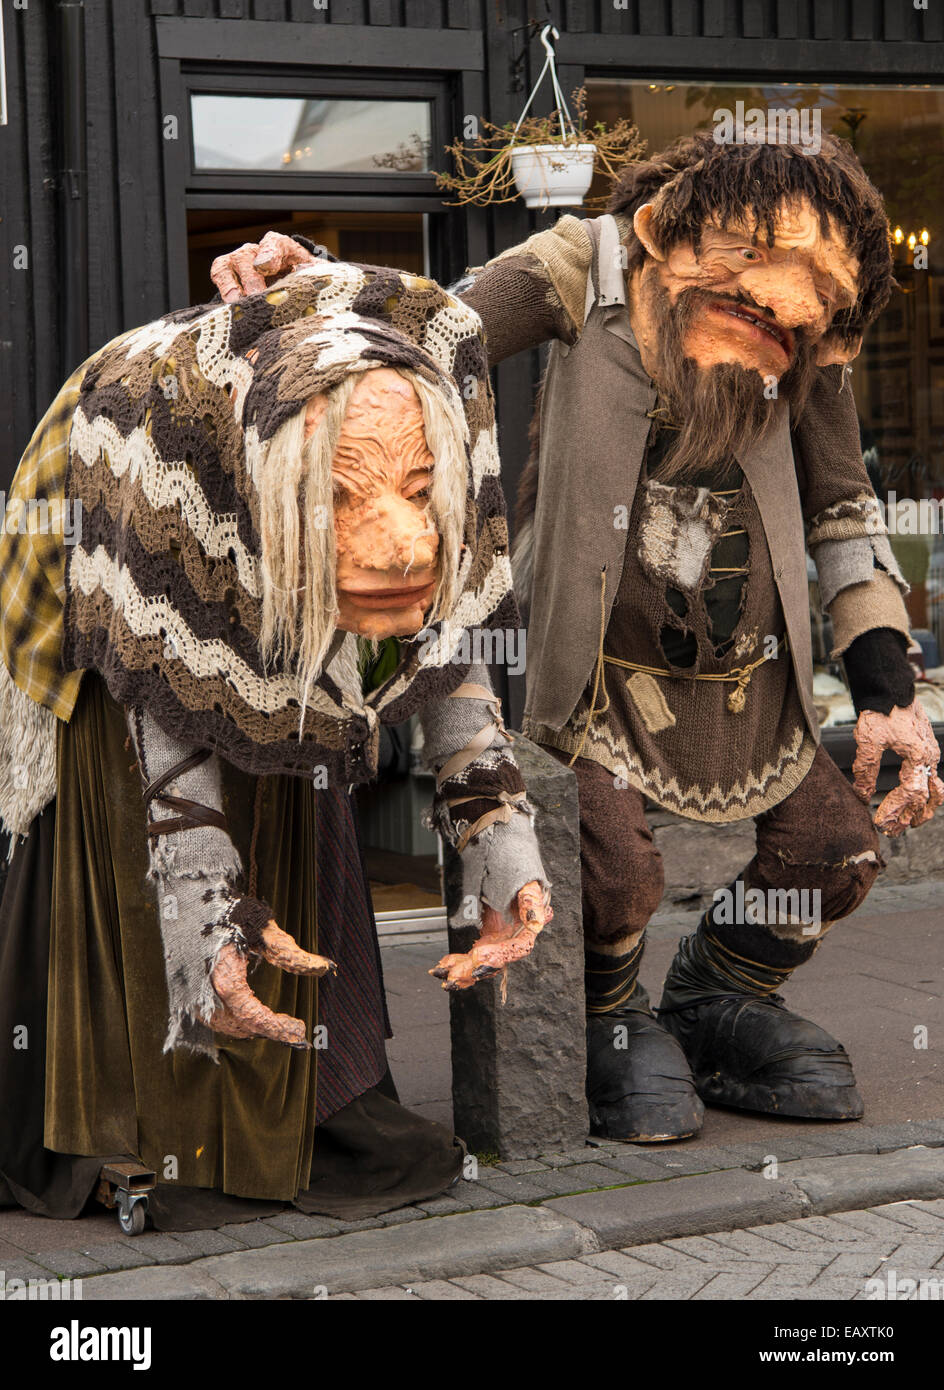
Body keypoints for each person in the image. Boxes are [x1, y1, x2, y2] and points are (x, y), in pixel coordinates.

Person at [213, 130, 942, 1143]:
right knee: (617, 872)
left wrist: (886, 685)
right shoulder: (586, 265)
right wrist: (308, 285)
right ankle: (610, 1013)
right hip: (597, 672)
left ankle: (718, 996)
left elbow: (842, 508)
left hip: (747, 680)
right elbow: (432, 321)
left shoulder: (807, 323)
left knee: (837, 846)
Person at [0, 260, 551, 1227]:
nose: (400, 548)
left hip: (279, 594)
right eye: (341, 501)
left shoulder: (437, 416)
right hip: (101, 617)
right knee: (143, 845)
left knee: (301, 794)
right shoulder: (164, 443)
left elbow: (445, 640)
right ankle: (133, 1133)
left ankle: (307, 1107)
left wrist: (502, 845)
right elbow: (165, 710)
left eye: (419, 496)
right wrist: (209, 920)